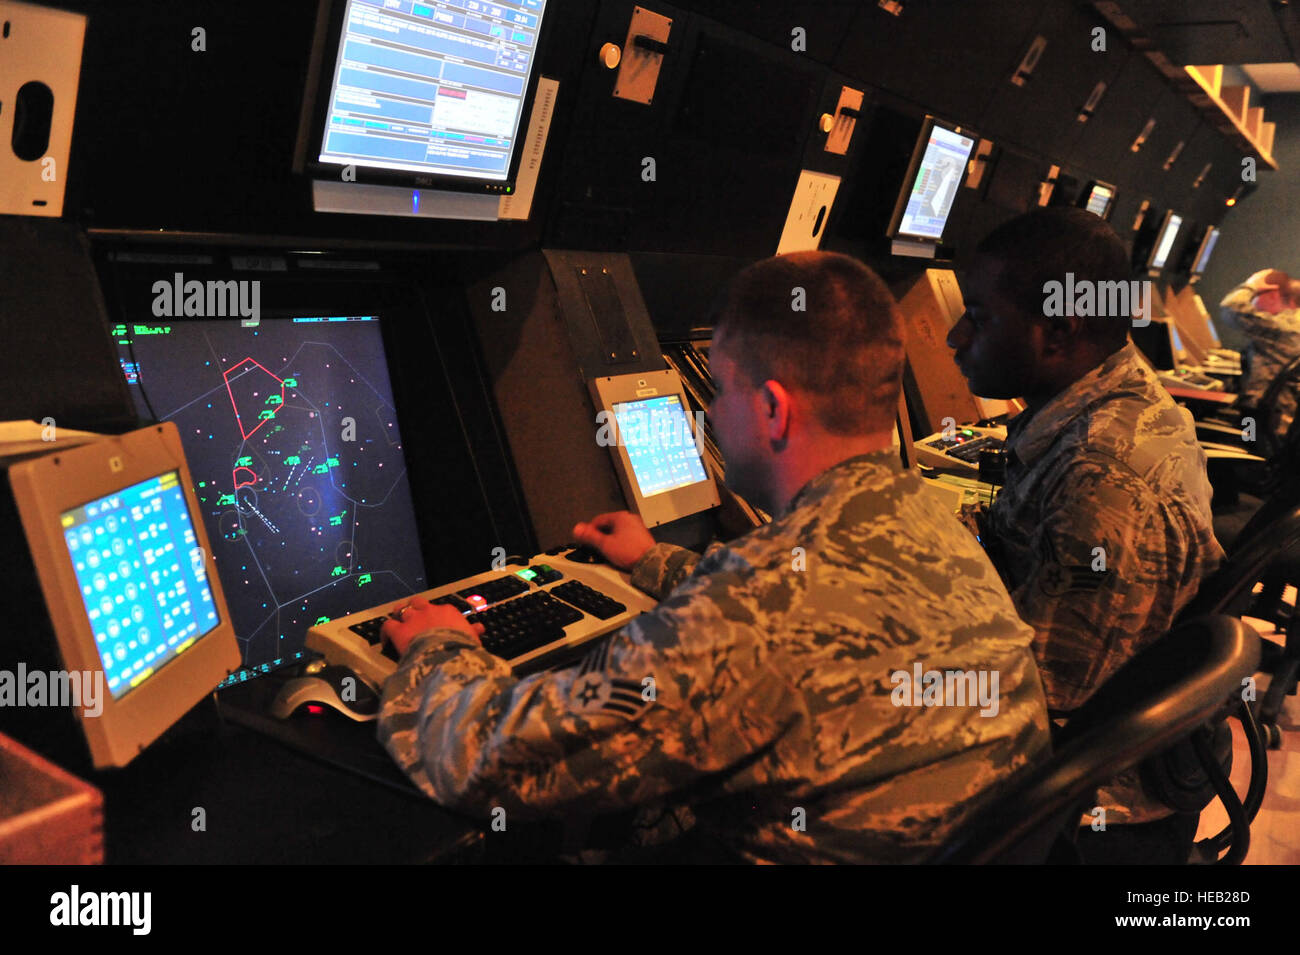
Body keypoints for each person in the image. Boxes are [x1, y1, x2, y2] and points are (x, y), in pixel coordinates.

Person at [375, 250, 1051, 864]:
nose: (713, 418)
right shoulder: (935, 524)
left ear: (772, 410)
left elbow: (483, 761)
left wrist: (439, 646)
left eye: (721, 393)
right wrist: (655, 563)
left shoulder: (753, 607)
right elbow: (812, 616)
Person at [946, 207, 1224, 863]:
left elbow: (1033, 698)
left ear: (1058, 333)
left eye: (980, 317)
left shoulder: (1101, 479)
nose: (955, 336)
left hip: (1086, 821)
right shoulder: (1107, 404)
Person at [1219, 268, 1300, 432]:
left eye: (1256, 297)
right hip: (1276, 425)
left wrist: (1251, 286)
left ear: (1272, 295)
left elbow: (1231, 308)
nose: (1253, 303)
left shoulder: (1283, 327)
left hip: (1259, 428)